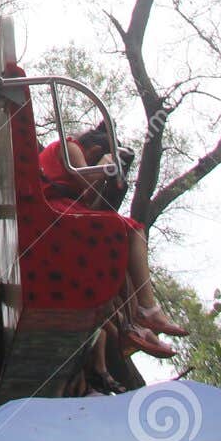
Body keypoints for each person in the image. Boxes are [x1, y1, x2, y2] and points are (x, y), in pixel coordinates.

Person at [38, 126, 188, 359]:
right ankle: (147, 310)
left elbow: (90, 201)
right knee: (134, 232)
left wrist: (106, 177)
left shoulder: (75, 165)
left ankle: (139, 324)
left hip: (65, 213)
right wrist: (106, 164)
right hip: (56, 212)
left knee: (118, 253)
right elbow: (86, 179)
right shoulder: (69, 146)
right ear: (95, 149)